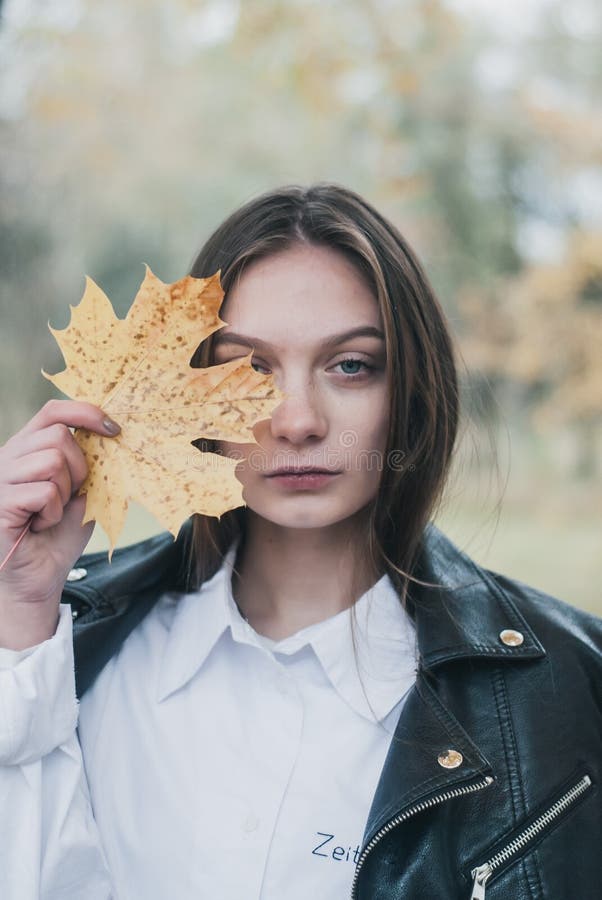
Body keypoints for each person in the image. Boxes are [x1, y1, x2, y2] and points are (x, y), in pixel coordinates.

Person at [0, 184, 600, 900]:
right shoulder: (60, 650)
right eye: (249, 368)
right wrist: (19, 611)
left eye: (350, 365)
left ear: (408, 391)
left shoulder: (568, 688)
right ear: (189, 388)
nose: (297, 421)